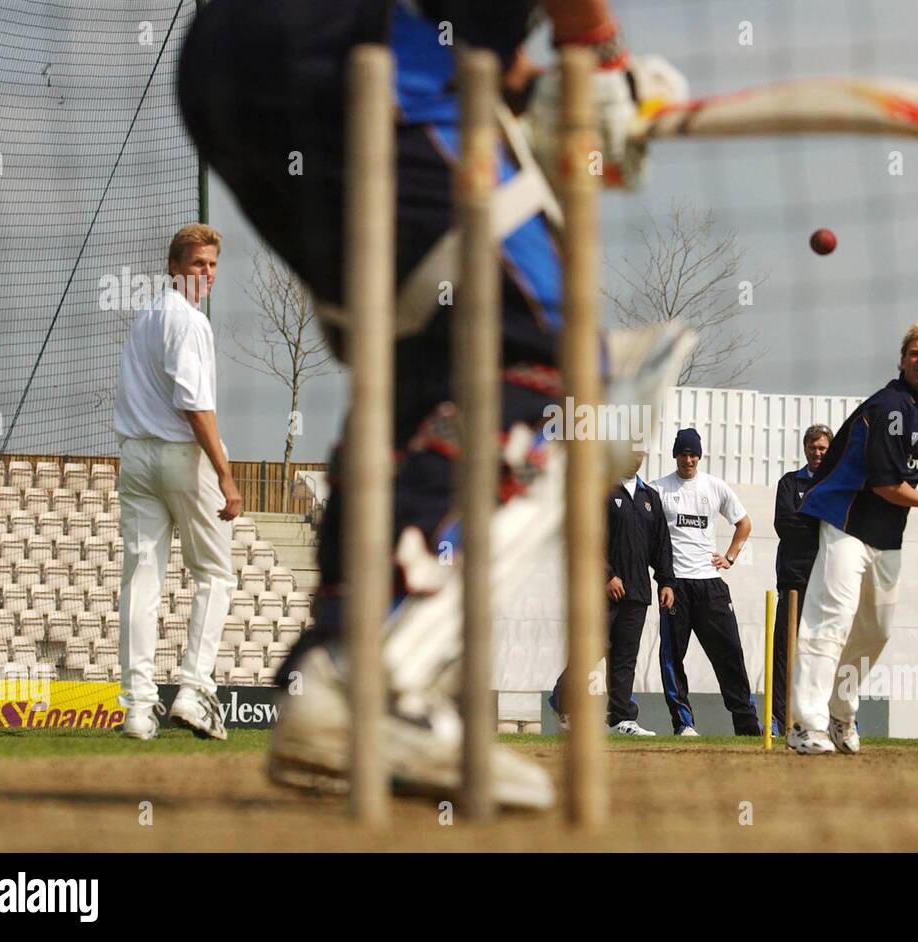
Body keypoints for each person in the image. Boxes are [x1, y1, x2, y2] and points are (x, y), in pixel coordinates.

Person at [177, 0, 688, 807]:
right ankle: (362, 680)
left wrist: (543, 95)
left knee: (433, 360)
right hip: (356, 53)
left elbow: (481, 45)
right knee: (572, 376)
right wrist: (603, 58)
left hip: (225, 67)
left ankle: (348, 665)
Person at [788, 322, 918, 755]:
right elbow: (884, 484)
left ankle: (841, 714)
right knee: (831, 618)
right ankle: (807, 725)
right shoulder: (889, 407)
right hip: (847, 524)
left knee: (875, 631)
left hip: (887, 536)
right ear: (901, 362)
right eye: (914, 353)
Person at [113, 223, 242, 741]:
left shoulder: (145, 316)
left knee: (142, 579)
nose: (207, 274)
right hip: (182, 457)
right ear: (173, 267)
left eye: (212, 265)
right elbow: (195, 406)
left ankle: (138, 709)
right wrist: (227, 477)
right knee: (215, 573)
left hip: (136, 457)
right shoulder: (188, 322)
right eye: (197, 264)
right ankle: (192, 690)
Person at [549, 446, 675, 736]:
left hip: (638, 592)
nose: (634, 458)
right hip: (602, 592)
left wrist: (667, 582)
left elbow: (661, 546)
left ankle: (621, 718)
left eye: (639, 453)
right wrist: (608, 575)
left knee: (624, 659)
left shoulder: (650, 497)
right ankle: (564, 704)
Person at [651, 428, 762, 736]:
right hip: (676, 586)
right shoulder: (658, 489)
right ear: (676, 454)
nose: (689, 459)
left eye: (693, 454)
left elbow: (744, 522)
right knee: (672, 658)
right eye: (684, 453)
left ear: (699, 456)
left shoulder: (715, 487)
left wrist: (730, 556)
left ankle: (747, 724)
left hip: (710, 584)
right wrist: (663, 578)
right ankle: (684, 724)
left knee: (730, 654)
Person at [770, 423, 832, 733]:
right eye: (813, 447)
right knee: (785, 652)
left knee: (823, 650)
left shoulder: (837, 483)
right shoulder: (789, 483)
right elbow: (784, 524)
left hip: (826, 579)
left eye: (822, 447)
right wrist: (815, 524)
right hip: (793, 581)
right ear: (805, 448)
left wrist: (810, 522)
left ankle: (825, 719)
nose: (817, 452)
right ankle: (782, 720)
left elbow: (836, 528)